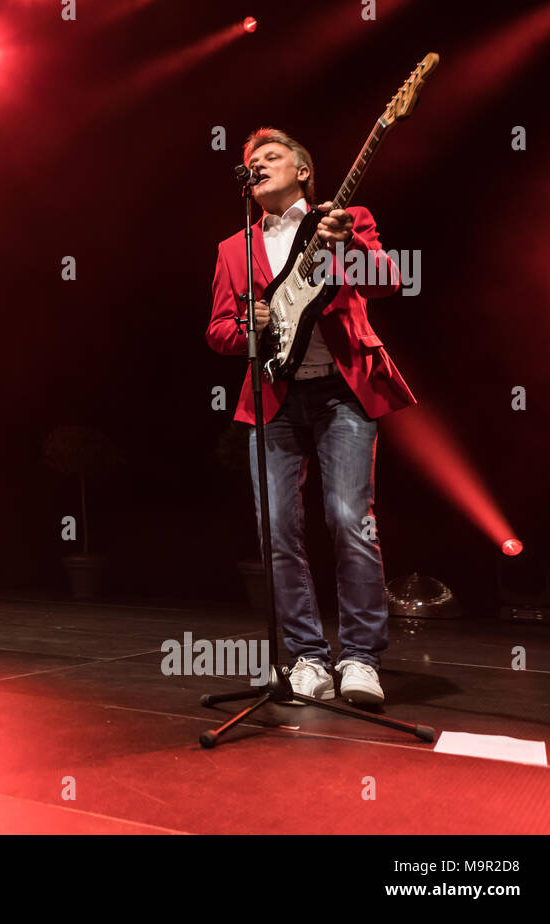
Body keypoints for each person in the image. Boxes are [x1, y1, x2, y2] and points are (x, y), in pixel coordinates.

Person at [205, 128, 416, 704]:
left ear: (303, 171)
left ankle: (360, 658)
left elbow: (387, 282)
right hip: (274, 397)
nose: (258, 166)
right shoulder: (234, 248)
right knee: (277, 531)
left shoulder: (346, 219)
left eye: (272, 157)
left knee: (349, 518)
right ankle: (305, 658)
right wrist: (251, 325)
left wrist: (348, 245)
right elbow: (218, 330)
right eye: (251, 162)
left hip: (343, 392)